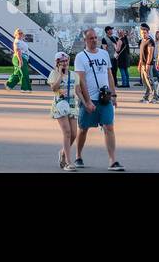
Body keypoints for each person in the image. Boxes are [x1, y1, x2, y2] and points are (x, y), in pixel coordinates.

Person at [73, 28, 123, 170]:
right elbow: (81, 81)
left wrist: (113, 95)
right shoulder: (80, 57)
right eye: (91, 38)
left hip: (105, 98)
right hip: (90, 99)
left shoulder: (104, 54)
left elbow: (109, 75)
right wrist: (87, 101)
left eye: (95, 37)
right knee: (83, 129)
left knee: (109, 127)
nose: (94, 40)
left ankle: (113, 161)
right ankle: (78, 156)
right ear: (85, 40)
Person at [49, 51, 78, 170]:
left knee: (74, 134)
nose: (65, 63)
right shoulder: (54, 74)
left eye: (66, 61)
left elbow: (78, 90)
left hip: (72, 105)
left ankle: (62, 152)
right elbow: (53, 88)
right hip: (60, 105)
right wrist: (60, 75)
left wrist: (86, 103)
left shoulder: (74, 75)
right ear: (57, 63)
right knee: (67, 132)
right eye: (62, 61)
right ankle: (68, 162)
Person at [136, 23, 156, 103]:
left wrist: (147, 64)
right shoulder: (142, 41)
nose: (143, 34)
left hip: (148, 65)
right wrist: (139, 64)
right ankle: (146, 97)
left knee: (150, 81)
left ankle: (154, 97)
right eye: (142, 33)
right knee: (145, 82)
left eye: (145, 33)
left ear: (148, 32)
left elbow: (150, 54)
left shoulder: (150, 41)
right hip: (143, 64)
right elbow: (141, 54)